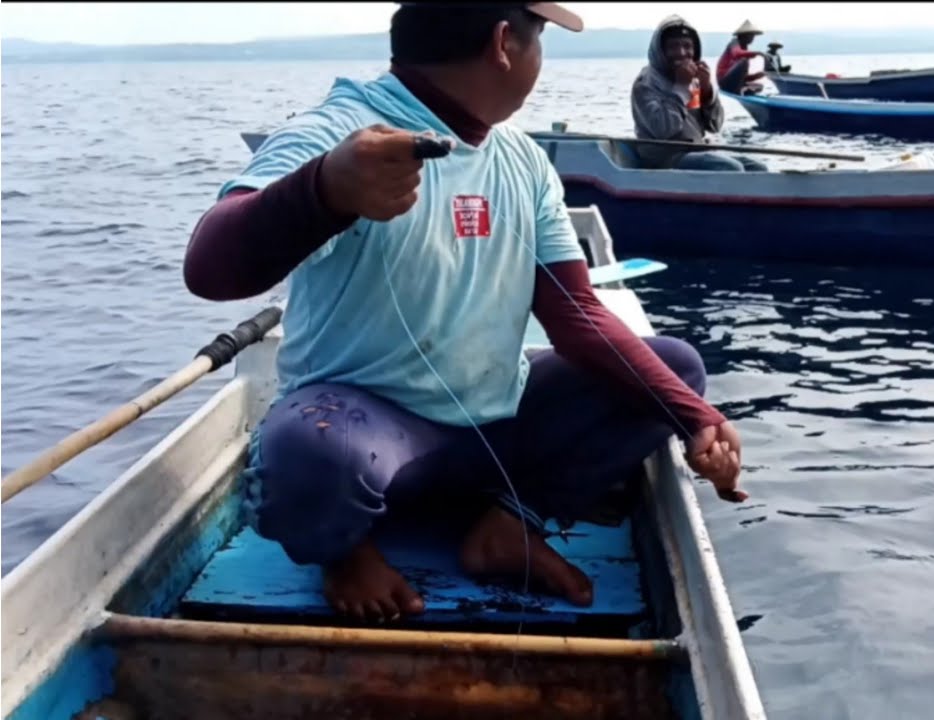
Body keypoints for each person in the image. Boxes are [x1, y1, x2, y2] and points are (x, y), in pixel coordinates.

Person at [182, 1, 747, 623]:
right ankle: (344, 551)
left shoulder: (523, 160)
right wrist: (324, 189)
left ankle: (510, 522)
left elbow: (576, 314)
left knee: (676, 369)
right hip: (371, 438)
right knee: (308, 455)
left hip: (497, 430)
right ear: (506, 43)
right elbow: (209, 267)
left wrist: (695, 417)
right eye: (541, 40)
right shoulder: (337, 134)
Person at [630, 15, 769, 172]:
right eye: (673, 46)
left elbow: (715, 126)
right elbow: (664, 131)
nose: (682, 53)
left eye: (687, 46)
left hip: (697, 150)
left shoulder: (693, 79)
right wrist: (681, 88)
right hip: (665, 158)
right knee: (730, 168)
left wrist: (707, 92)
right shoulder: (645, 84)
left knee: (758, 168)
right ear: (661, 51)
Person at [715, 20, 767, 95]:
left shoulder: (744, 49)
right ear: (744, 35)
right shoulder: (734, 42)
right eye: (751, 35)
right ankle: (739, 91)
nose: (753, 38)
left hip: (733, 82)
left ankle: (743, 89)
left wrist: (755, 76)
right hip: (724, 81)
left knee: (759, 86)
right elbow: (736, 53)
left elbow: (742, 77)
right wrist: (758, 53)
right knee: (744, 61)